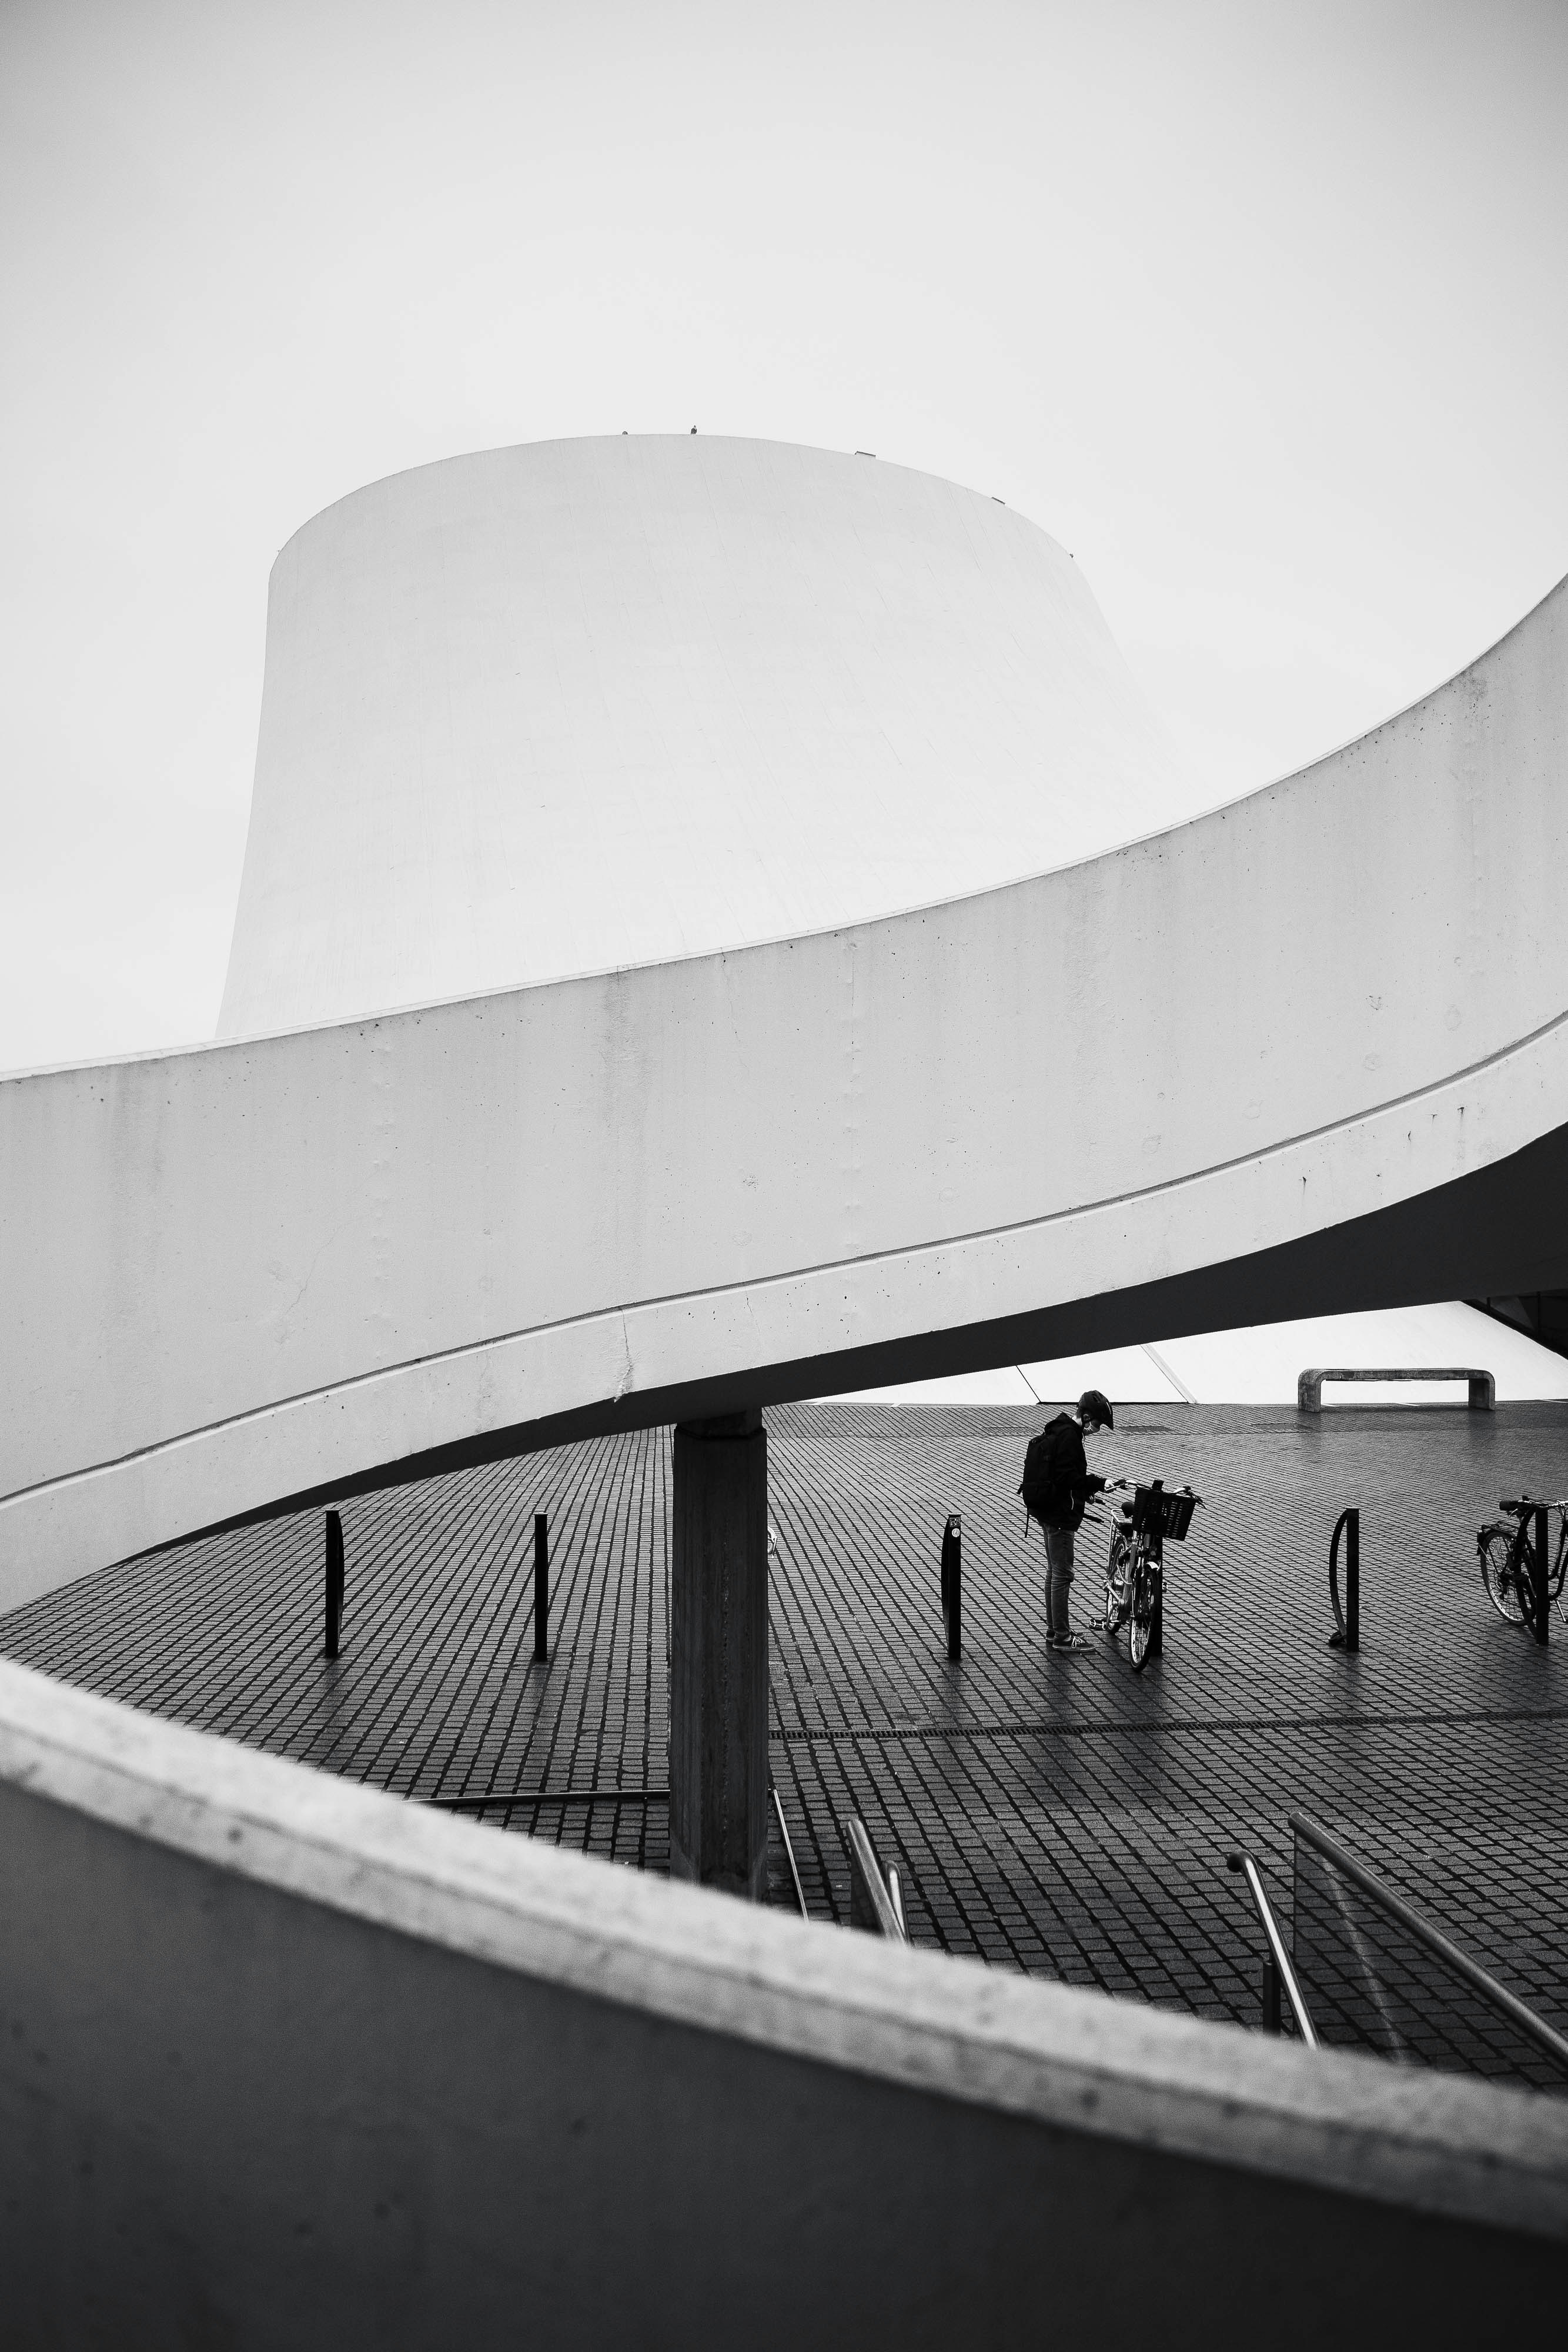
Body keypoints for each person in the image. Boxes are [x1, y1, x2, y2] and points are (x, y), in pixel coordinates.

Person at [1035, 1389, 1114, 1654]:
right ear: (1088, 1416)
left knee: (1053, 1573)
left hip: (1048, 1513)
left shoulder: (1060, 1430)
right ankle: (1062, 1637)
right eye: (1098, 1424)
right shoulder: (1070, 1437)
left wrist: (1085, 1494)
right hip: (1060, 1518)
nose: (1097, 1429)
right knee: (1063, 1575)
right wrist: (1100, 1484)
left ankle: (1053, 1630)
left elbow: (1062, 1478)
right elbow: (1069, 1478)